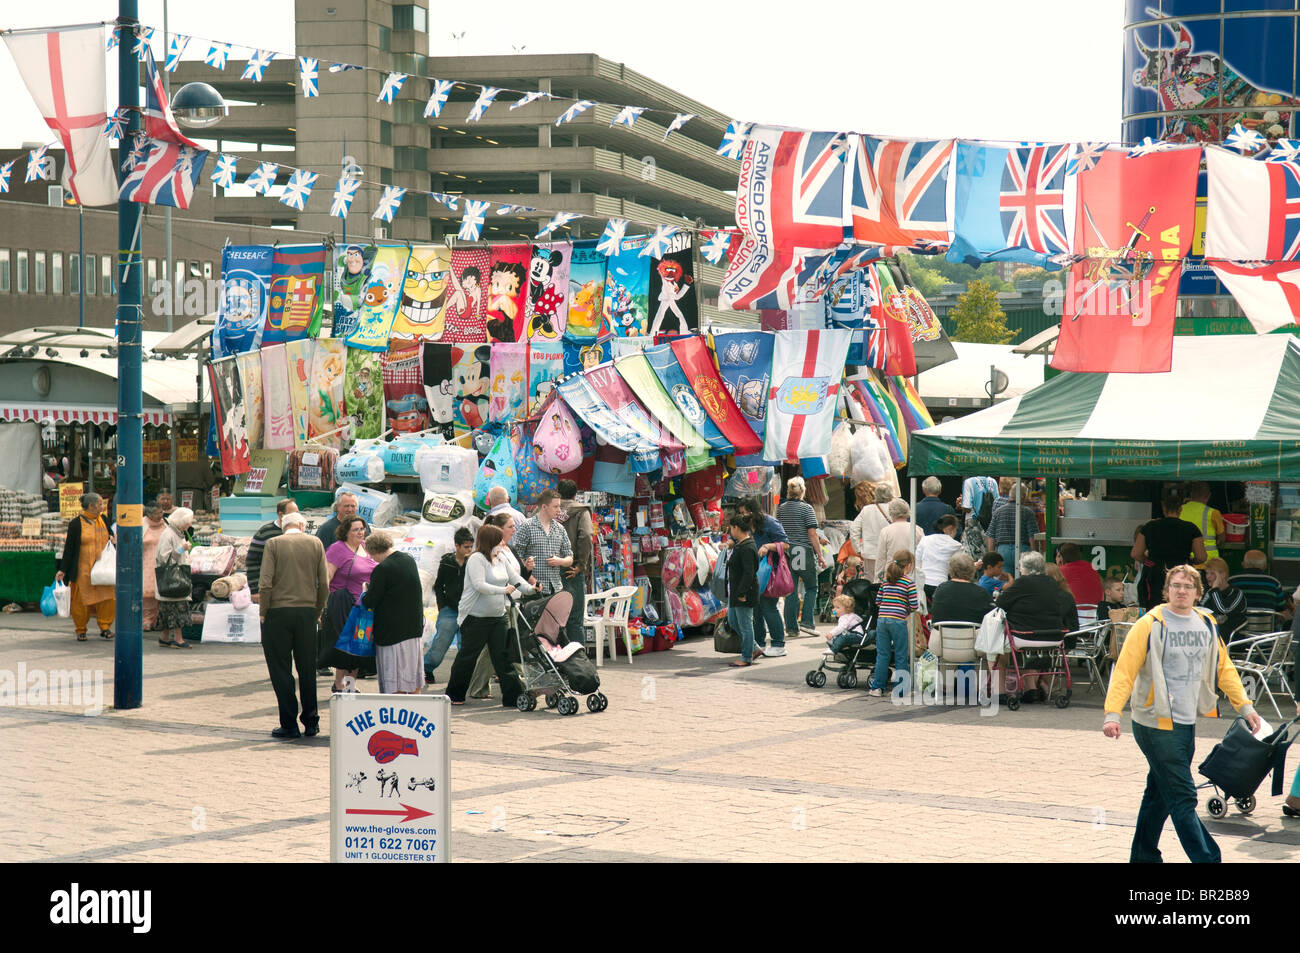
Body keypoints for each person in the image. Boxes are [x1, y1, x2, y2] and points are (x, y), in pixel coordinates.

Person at [1102, 565, 1261, 863]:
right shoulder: (1150, 623)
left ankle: (1143, 857)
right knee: (1184, 795)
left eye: (1188, 586)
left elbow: (1223, 668)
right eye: (1175, 585)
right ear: (1166, 590)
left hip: (1186, 722)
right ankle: (1208, 859)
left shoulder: (1206, 622)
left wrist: (1246, 706)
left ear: (1199, 593)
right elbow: (1124, 670)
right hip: (1153, 722)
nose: (1181, 591)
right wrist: (1113, 713)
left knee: (1159, 794)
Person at [258, 512, 330, 739]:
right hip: (307, 612)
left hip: (278, 612)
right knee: (307, 668)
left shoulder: (274, 544)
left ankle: (289, 723)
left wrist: (263, 612)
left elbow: (265, 583)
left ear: (283, 526)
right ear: (302, 525)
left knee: (280, 668)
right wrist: (317, 611)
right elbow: (324, 583)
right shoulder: (316, 543)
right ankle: (311, 721)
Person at [445, 524, 535, 707]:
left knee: (503, 657)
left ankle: (513, 696)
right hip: (475, 618)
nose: (502, 544)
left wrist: (532, 589)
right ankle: (454, 695)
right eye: (499, 540)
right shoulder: (476, 559)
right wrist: (503, 590)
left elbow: (516, 579)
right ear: (490, 542)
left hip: (498, 616)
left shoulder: (500, 558)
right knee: (467, 657)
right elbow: (479, 585)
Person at [997, 551, 1079, 701]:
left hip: (1025, 636)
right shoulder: (1053, 584)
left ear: (1025, 568)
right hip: (1054, 637)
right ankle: (1031, 689)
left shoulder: (1022, 583)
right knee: (1024, 648)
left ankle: (1000, 693)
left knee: (999, 651)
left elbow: (1000, 604)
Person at [361, 533, 424, 695]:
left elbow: (370, 600)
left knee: (395, 679)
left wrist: (365, 591)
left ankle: (395, 709)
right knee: (412, 676)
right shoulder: (408, 560)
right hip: (413, 628)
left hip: (392, 632)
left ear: (373, 551)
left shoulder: (383, 569)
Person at [322, 516, 378, 695]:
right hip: (344, 605)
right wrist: (322, 602)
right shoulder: (337, 549)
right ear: (346, 532)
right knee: (345, 648)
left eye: (362, 529)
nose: (361, 532)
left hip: (364, 607)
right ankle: (340, 684)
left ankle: (350, 684)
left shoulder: (365, 549)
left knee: (358, 647)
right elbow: (326, 577)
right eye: (356, 529)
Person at [1131, 488, 1207, 611]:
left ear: (1164, 508)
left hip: (1154, 573)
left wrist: (1148, 561)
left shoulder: (1150, 527)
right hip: (1182, 572)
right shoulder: (1191, 528)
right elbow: (1202, 557)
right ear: (1180, 509)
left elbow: (1136, 553)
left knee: (1154, 610)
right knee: (1180, 607)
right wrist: (1190, 561)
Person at [56, 492, 115, 641]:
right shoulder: (76, 524)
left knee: (107, 598)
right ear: (91, 506)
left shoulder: (104, 520)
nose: (102, 506)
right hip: (83, 569)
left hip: (103, 569)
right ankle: (81, 629)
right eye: (100, 504)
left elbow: (112, 536)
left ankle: (105, 627)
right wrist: (63, 569)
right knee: (81, 600)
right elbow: (69, 549)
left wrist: (113, 539)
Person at [737, 497, 791, 658]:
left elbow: (785, 544)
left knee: (768, 607)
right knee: (756, 609)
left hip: (769, 572)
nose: (742, 516)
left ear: (752, 511)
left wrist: (768, 546)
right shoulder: (746, 525)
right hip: (752, 573)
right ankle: (759, 643)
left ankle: (778, 644)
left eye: (744, 512)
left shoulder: (770, 523)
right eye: (740, 513)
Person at [776, 476, 825, 637]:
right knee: (811, 587)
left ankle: (791, 628)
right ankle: (807, 623)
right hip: (802, 551)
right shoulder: (807, 509)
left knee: (791, 590)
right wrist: (820, 555)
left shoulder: (781, 508)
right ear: (803, 491)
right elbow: (812, 534)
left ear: (789, 492)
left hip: (787, 551)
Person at [425, 527, 474, 684]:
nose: (469, 550)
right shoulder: (447, 562)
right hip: (450, 611)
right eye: (466, 547)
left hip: (469, 611)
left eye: (471, 546)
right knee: (440, 645)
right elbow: (438, 586)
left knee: (465, 647)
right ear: (457, 545)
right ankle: (426, 670)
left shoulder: (474, 562)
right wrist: (442, 606)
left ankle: (461, 678)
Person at [868, 550, 918, 697]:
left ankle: (877, 687)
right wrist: (905, 610)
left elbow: (878, 601)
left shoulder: (886, 582)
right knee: (901, 655)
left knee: (882, 655)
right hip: (898, 621)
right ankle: (901, 690)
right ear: (908, 566)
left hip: (882, 620)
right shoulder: (909, 583)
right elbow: (914, 605)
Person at [512, 489, 573, 597]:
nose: (559, 510)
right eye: (555, 506)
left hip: (556, 588)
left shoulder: (560, 528)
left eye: (559, 506)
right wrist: (532, 581)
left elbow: (570, 558)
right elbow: (517, 556)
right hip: (533, 590)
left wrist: (560, 561)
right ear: (544, 507)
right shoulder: (527, 526)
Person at [556, 479, 594, 650]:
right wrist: (581, 565)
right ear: (575, 494)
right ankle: (578, 662)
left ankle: (554, 661)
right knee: (574, 619)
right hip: (571, 570)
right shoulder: (580, 511)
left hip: (547, 570)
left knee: (551, 618)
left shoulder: (544, 510)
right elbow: (586, 536)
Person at [154, 507, 195, 649]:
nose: (189, 525)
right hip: (173, 579)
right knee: (178, 608)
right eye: (187, 522)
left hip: (171, 580)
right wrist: (180, 550)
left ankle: (164, 638)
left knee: (166, 609)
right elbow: (163, 558)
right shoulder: (169, 534)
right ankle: (178, 639)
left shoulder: (178, 533)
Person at [725, 513, 760, 668]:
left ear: (736, 528)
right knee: (733, 621)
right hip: (736, 591)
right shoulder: (741, 545)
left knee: (745, 625)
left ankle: (746, 657)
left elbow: (749, 573)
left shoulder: (747, 547)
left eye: (731, 528)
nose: (730, 532)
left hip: (744, 592)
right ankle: (754, 648)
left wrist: (741, 593)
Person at [247, 499, 299, 597]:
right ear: (281, 514)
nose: (298, 516)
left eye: (298, 512)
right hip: (271, 591)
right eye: (293, 513)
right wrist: (255, 590)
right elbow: (253, 562)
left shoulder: (299, 531)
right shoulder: (264, 533)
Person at [988, 478, 1035, 580]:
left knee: (1004, 583)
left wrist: (991, 557)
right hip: (1023, 549)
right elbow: (1032, 536)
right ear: (1023, 496)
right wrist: (1034, 554)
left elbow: (991, 537)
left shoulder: (998, 512)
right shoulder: (1028, 512)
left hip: (1002, 550)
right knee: (1023, 582)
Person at [929, 552, 993, 625]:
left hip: (943, 634)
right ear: (972, 570)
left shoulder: (940, 589)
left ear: (950, 570)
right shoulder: (981, 592)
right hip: (972, 634)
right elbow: (992, 615)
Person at [1228, 549, 1292, 621]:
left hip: (1238, 629)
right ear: (1265, 566)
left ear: (1243, 564)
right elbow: (1282, 611)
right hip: (1267, 629)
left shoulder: (1231, 581)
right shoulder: (1274, 583)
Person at [850, 481, 892, 582]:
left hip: (870, 553)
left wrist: (858, 549)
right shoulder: (894, 508)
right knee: (889, 581)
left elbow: (853, 529)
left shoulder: (866, 510)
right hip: (889, 551)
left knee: (872, 583)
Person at [874, 498, 923, 585]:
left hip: (891, 575)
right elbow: (922, 555)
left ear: (891, 512)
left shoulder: (886, 531)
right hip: (912, 574)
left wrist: (877, 580)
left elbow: (881, 558)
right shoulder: (917, 529)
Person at [915, 514, 962, 603]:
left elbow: (916, 562)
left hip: (922, 584)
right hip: (942, 585)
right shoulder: (957, 546)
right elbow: (957, 570)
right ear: (951, 528)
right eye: (956, 530)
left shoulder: (925, 539)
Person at [1200, 557, 1247, 637]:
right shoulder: (1209, 592)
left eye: (1212, 573)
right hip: (1210, 635)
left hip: (1231, 639)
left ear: (1222, 575)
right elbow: (1200, 610)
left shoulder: (1236, 593)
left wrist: (1215, 589)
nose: (1208, 577)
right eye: (1207, 573)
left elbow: (1222, 610)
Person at [1179, 482, 1224, 565]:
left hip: (1185, 559)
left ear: (1191, 494)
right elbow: (1221, 539)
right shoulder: (1213, 513)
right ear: (1209, 495)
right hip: (1209, 562)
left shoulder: (1179, 510)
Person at [141, 505, 166, 631]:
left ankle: (157, 620)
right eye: (157, 513)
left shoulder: (166, 524)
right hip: (145, 563)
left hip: (161, 563)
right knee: (147, 593)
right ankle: (146, 620)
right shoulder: (142, 525)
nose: (160, 515)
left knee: (161, 592)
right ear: (149, 515)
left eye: (161, 512)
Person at [1056, 542, 1104, 606]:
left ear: (1062, 557)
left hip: (1075, 610)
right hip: (1095, 608)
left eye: (1059, 556)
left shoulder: (1062, 570)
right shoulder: (1091, 567)